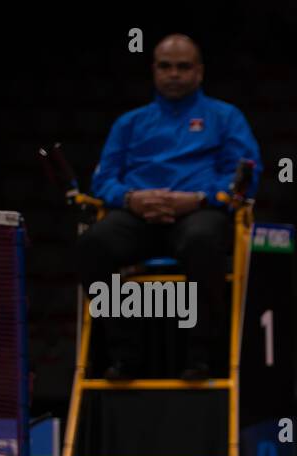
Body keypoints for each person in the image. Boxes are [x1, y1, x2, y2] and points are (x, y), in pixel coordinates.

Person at [74, 33, 260, 380]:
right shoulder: (129, 123)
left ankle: (200, 356)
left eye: (183, 67)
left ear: (199, 72)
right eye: (165, 66)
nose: (174, 74)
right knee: (92, 245)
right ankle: (124, 355)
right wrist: (131, 199)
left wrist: (200, 198)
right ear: (154, 70)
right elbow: (103, 180)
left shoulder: (225, 117)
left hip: (198, 214)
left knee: (203, 241)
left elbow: (244, 176)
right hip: (138, 217)